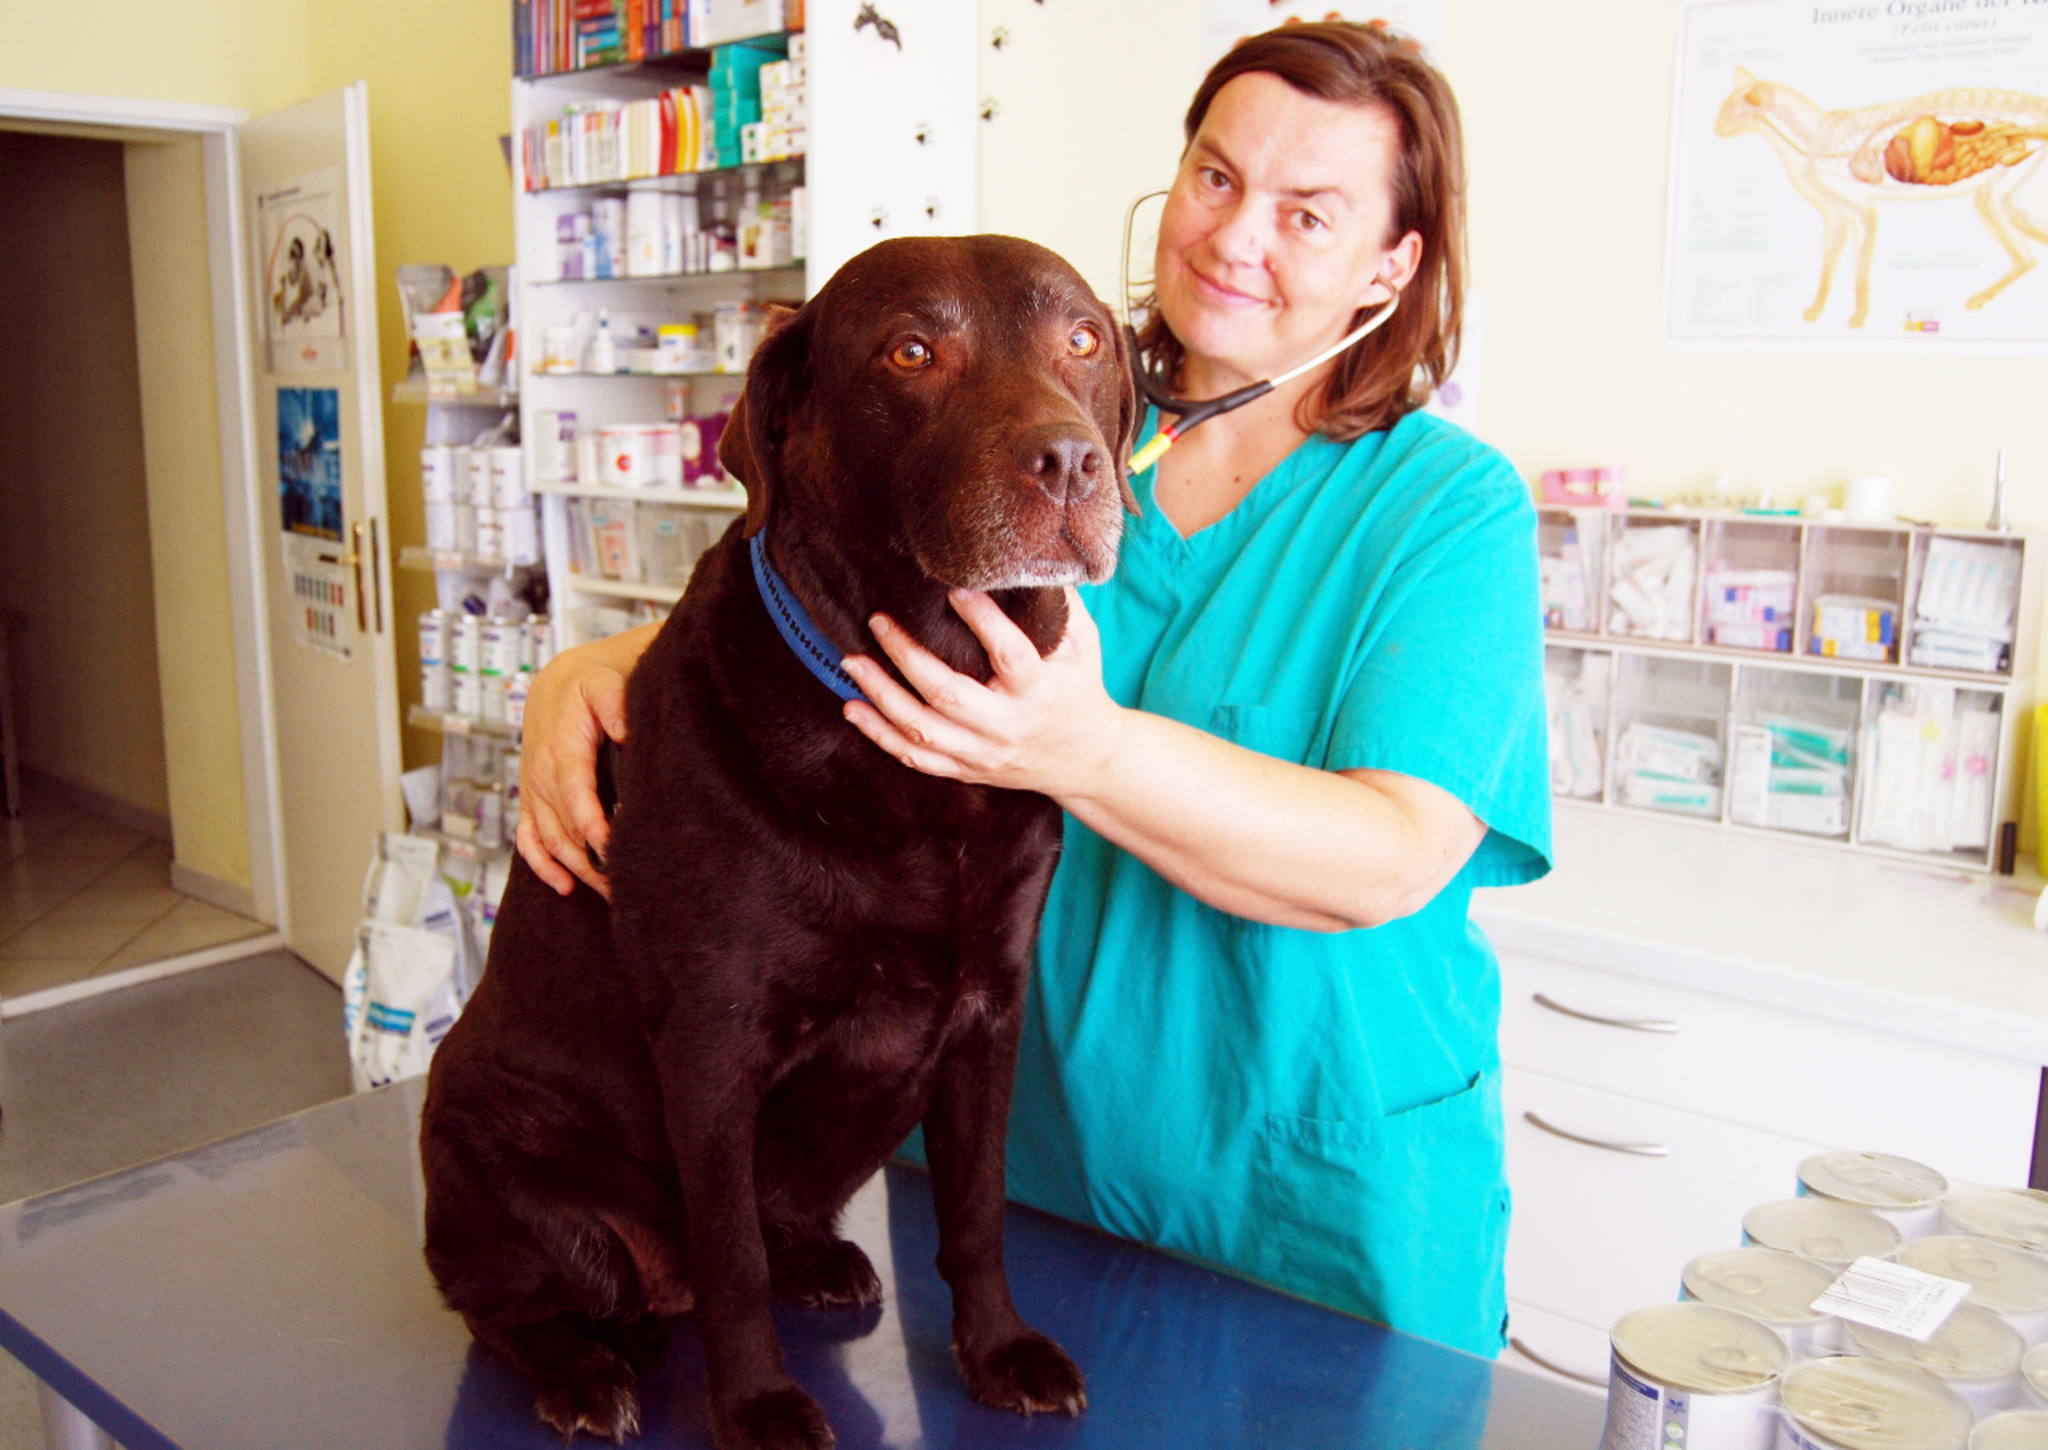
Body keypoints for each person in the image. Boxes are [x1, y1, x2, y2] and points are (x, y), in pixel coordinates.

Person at [515, 20, 1551, 1359]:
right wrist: (592, 667)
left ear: (1391, 266)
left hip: (1307, 1195)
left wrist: (1084, 750)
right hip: (1022, 1185)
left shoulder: (1447, 509)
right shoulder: (1043, 423)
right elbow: (808, 588)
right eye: (1218, 177)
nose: (1236, 237)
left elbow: (1390, 855)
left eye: (1310, 213)